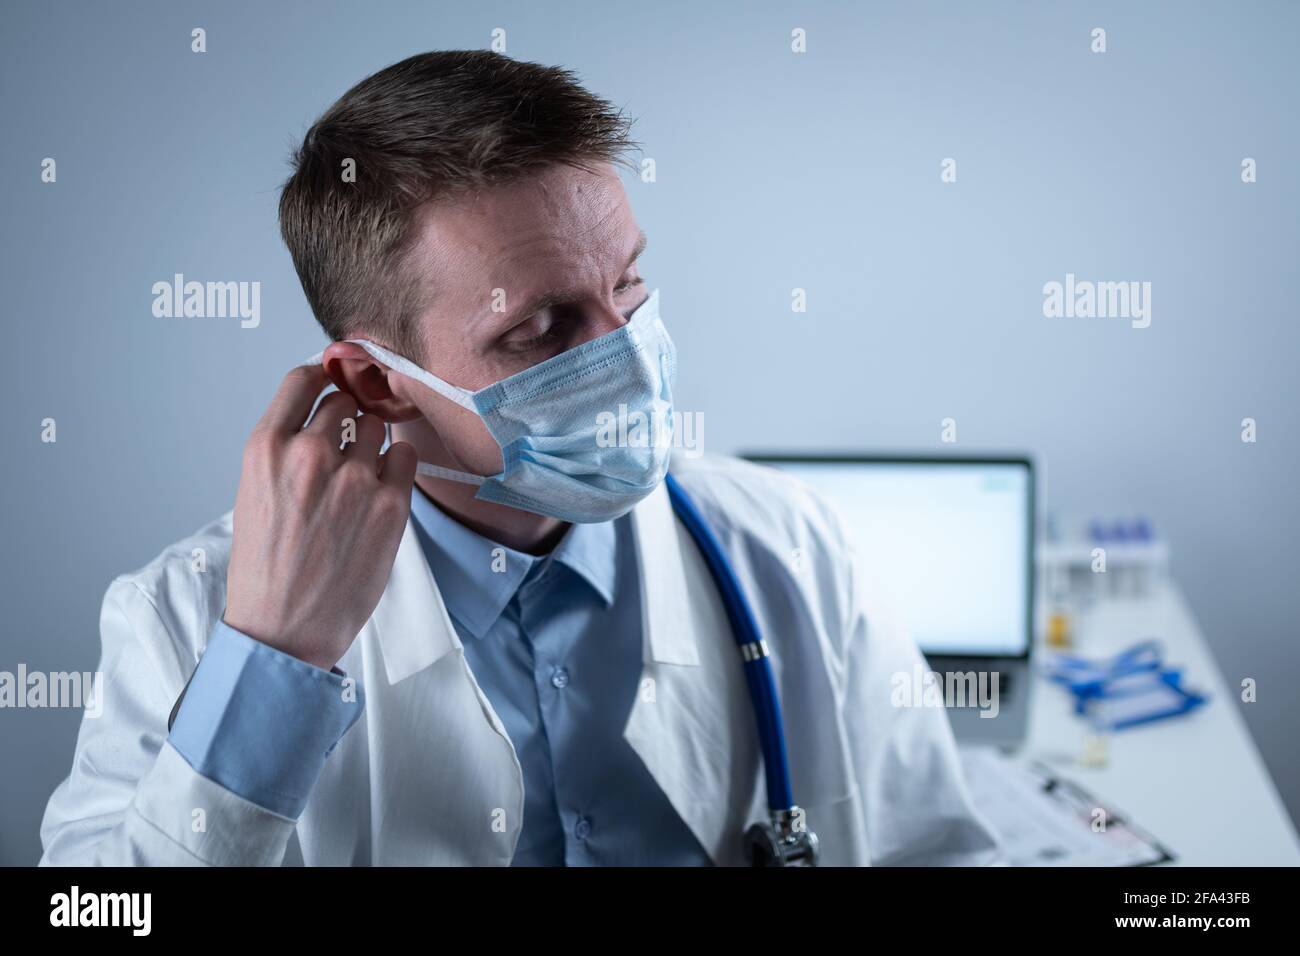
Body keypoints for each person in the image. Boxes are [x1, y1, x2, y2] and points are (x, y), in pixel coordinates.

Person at [39, 50, 998, 866]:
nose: (624, 358)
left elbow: (938, 851)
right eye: (540, 328)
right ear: (377, 384)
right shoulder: (184, 622)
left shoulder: (787, 543)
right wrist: (273, 667)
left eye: (627, 287)